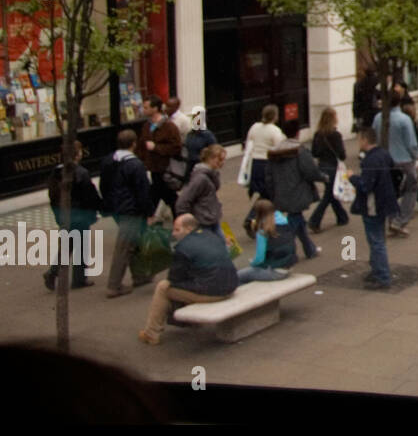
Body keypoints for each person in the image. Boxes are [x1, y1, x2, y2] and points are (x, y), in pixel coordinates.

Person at [138, 213, 238, 345]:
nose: (173, 233)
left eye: (177, 229)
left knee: (163, 287)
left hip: (214, 292)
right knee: (193, 281)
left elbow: (174, 279)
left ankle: (151, 333)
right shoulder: (211, 236)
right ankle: (185, 322)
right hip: (231, 285)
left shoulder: (183, 248)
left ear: (189, 229)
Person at [101, 129, 156, 298]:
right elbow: (143, 191)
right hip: (131, 209)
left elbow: (104, 186)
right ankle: (114, 285)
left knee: (135, 241)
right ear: (134, 143)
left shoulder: (108, 160)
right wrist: (149, 212)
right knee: (124, 246)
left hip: (117, 207)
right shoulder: (135, 165)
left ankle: (141, 275)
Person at [43, 141, 103, 291]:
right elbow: (90, 195)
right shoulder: (81, 173)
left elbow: (52, 195)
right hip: (79, 214)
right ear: (78, 154)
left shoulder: (56, 173)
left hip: (64, 215)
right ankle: (78, 278)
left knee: (68, 244)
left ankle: (53, 272)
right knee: (81, 245)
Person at [349, 127, 398, 289]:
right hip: (384, 202)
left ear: (364, 140)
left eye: (359, 139)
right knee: (377, 238)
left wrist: (352, 178)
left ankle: (382, 276)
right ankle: (376, 269)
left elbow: (365, 185)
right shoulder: (383, 154)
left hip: (373, 205)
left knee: (376, 240)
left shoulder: (370, 160)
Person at [267, 140, 326, 259]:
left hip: (282, 194)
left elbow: (269, 178)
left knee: (297, 220)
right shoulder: (300, 152)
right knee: (293, 223)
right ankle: (285, 252)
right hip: (297, 193)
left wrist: (272, 195)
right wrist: (323, 177)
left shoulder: (274, 155)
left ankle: (310, 249)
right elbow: (310, 171)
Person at [373, 92, 418, 236]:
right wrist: (416, 156)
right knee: (411, 189)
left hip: (385, 160)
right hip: (403, 160)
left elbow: (375, 137)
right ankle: (400, 221)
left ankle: (392, 219)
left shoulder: (378, 118)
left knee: (390, 191)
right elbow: (411, 143)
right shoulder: (404, 120)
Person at [135, 95, 183, 213]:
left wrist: (156, 147)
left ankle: (179, 217)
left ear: (155, 108)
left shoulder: (169, 127)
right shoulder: (146, 126)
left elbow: (176, 147)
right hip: (153, 167)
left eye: (146, 107)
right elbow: (142, 145)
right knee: (162, 194)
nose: (143, 110)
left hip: (166, 168)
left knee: (163, 195)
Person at [243, 105, 286, 232]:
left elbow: (249, 142)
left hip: (255, 164)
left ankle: (255, 219)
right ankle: (255, 219)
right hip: (267, 165)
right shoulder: (274, 130)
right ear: (275, 116)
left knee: (265, 194)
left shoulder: (254, 127)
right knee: (271, 195)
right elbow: (279, 148)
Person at [308, 107, 349, 233]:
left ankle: (342, 217)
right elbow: (341, 154)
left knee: (331, 192)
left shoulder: (317, 134)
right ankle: (314, 220)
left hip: (322, 166)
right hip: (333, 167)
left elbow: (314, 153)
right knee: (329, 195)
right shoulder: (335, 135)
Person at [238, 199, 295, 283]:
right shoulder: (286, 223)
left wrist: (252, 263)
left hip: (275, 271)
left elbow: (259, 259)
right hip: (288, 266)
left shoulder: (263, 230)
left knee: (239, 276)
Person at [176, 144, 226, 235]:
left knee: (225, 245)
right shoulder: (200, 178)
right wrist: (188, 220)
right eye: (220, 159)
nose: (223, 162)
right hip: (203, 220)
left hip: (211, 217)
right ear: (212, 158)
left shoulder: (212, 174)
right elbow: (183, 200)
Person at [400, 100, 418, 211]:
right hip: (414, 156)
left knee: (410, 179)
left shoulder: (402, 126)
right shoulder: (417, 127)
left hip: (405, 156)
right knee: (412, 179)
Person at [182, 106, 217, 181]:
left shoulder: (207, 135)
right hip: (190, 167)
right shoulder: (190, 134)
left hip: (202, 168)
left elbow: (214, 151)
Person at [352, 66, 380, 132]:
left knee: (365, 127)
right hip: (374, 106)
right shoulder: (377, 81)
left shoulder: (360, 83)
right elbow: (379, 94)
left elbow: (357, 97)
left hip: (364, 108)